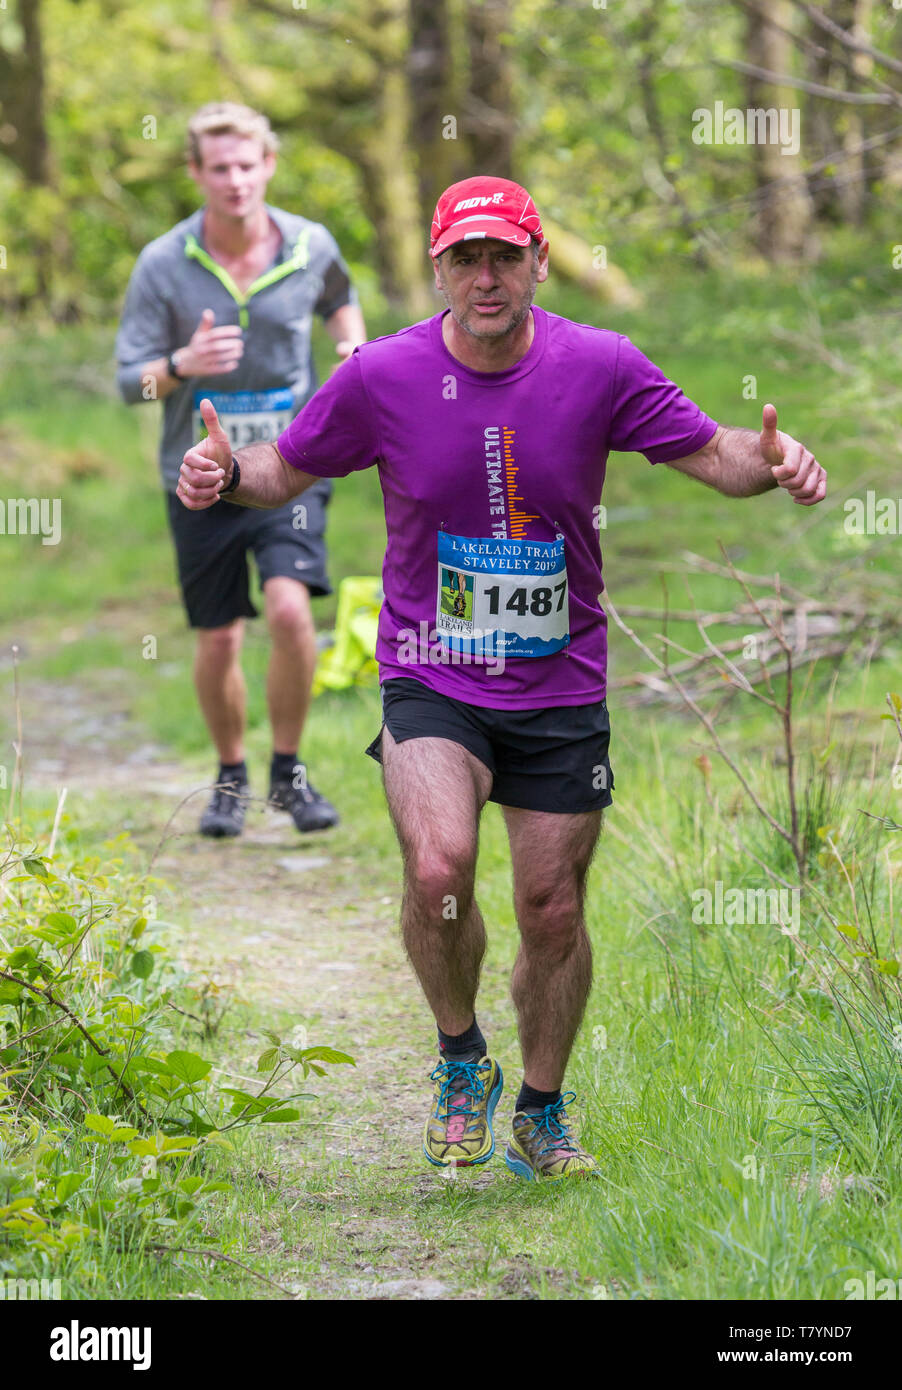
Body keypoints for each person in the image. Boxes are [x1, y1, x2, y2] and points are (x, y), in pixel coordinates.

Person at [176, 175, 826, 1179]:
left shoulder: (598, 365)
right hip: (430, 672)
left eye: (503, 256)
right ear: (435, 268)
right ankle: (456, 1056)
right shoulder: (381, 375)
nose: (484, 276)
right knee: (437, 867)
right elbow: (285, 469)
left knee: (550, 906)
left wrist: (775, 460)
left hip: (560, 682)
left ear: (536, 263)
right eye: (463, 258)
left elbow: (715, 454)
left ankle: (540, 1109)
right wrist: (224, 472)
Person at [115, 102, 366, 837]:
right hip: (196, 474)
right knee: (219, 635)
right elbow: (128, 382)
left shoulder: (310, 245)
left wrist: (352, 349)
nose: (235, 181)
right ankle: (230, 777)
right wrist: (180, 366)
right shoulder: (163, 263)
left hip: (289, 466)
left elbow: (341, 300)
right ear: (195, 172)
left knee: (291, 610)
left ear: (268, 166)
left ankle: (289, 773)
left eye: (247, 165)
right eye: (218, 168)